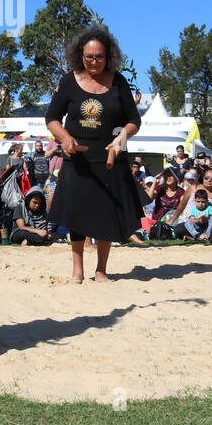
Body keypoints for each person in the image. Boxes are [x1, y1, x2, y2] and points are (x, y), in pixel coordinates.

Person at [45, 24, 146, 283]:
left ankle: (101, 270)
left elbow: (134, 120)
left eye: (99, 57)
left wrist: (122, 137)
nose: (94, 61)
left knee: (106, 214)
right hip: (77, 160)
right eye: (89, 56)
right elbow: (52, 118)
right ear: (80, 55)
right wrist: (65, 138)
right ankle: (77, 270)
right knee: (77, 214)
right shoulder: (68, 81)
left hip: (109, 159)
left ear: (108, 56)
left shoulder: (119, 81)